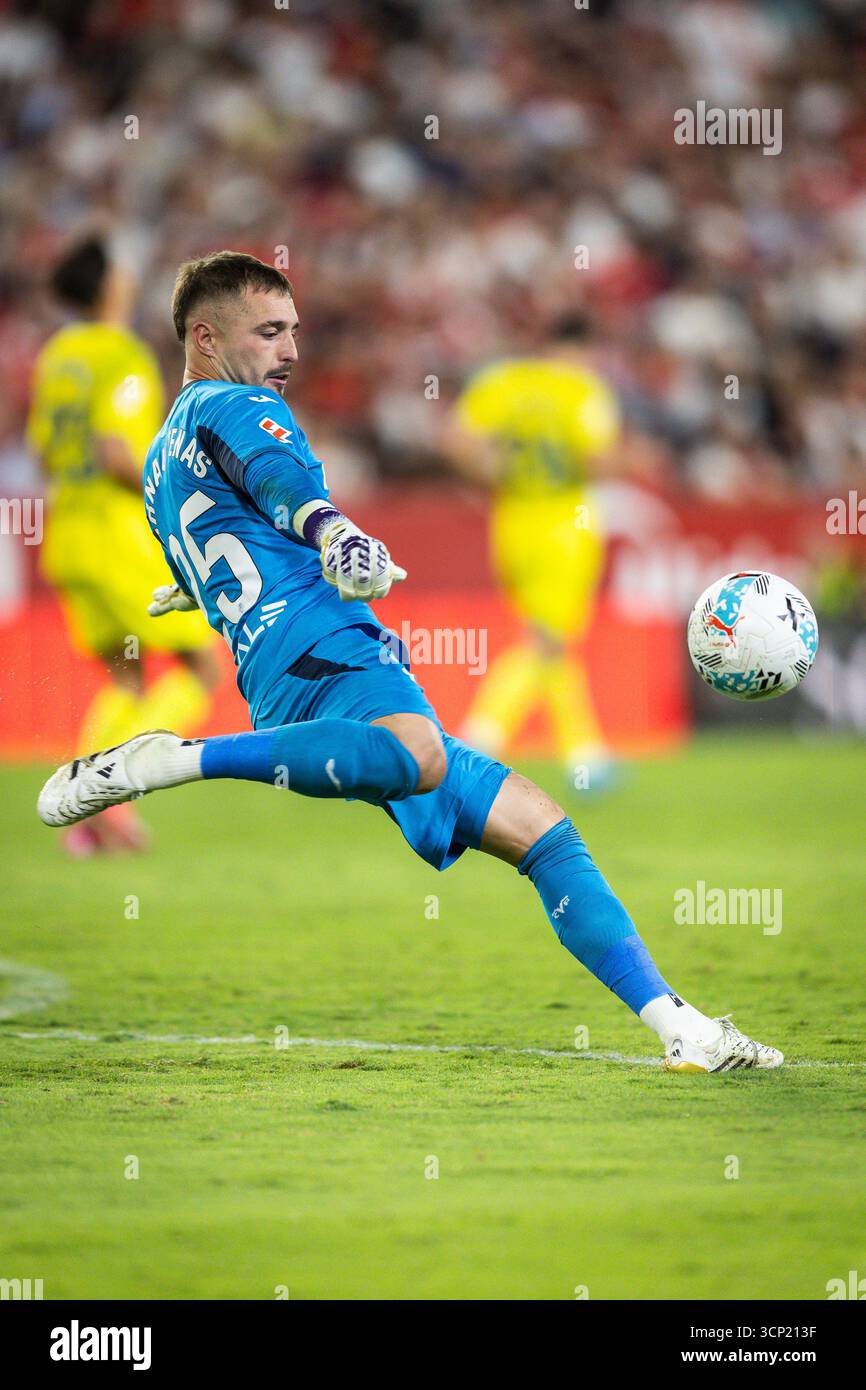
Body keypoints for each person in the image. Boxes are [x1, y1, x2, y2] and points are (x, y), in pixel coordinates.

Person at [38, 251, 780, 1072]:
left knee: (541, 828)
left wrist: (198, 592)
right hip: (321, 647)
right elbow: (285, 485)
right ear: (206, 337)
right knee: (421, 754)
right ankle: (172, 759)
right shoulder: (241, 408)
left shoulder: (159, 457)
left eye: (295, 332)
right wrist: (335, 533)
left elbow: (215, 546)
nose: (290, 351)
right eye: (270, 332)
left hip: (284, 664)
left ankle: (683, 1028)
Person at [27, 235, 220, 853]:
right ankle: (112, 790)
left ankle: (79, 807)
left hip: (66, 532)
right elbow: (116, 452)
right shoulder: (121, 352)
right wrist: (173, 490)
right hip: (114, 531)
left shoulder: (57, 356)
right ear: (109, 285)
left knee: (128, 678)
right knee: (204, 666)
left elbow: (40, 449)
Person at [446, 317, 619, 789]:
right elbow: (601, 459)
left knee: (548, 639)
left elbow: (458, 440)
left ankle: (587, 756)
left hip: (512, 521)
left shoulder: (506, 382)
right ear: (581, 348)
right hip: (567, 522)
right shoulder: (584, 390)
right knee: (545, 642)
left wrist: (493, 473)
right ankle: (480, 737)